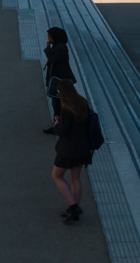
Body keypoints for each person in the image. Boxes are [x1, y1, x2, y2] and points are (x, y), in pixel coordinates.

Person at [50, 78, 95, 224]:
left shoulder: (66, 108)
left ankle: (73, 207)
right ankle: (74, 210)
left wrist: (56, 124)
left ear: (63, 92)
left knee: (57, 176)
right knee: (75, 178)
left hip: (68, 150)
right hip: (83, 148)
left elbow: (63, 131)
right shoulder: (83, 102)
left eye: (59, 91)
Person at [43, 26, 75, 131]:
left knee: (59, 105)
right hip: (57, 80)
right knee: (57, 104)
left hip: (60, 81)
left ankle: (59, 126)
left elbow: (53, 59)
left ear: (55, 37)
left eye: (49, 37)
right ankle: (57, 125)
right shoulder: (58, 46)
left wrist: (47, 49)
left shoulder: (61, 47)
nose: (48, 39)